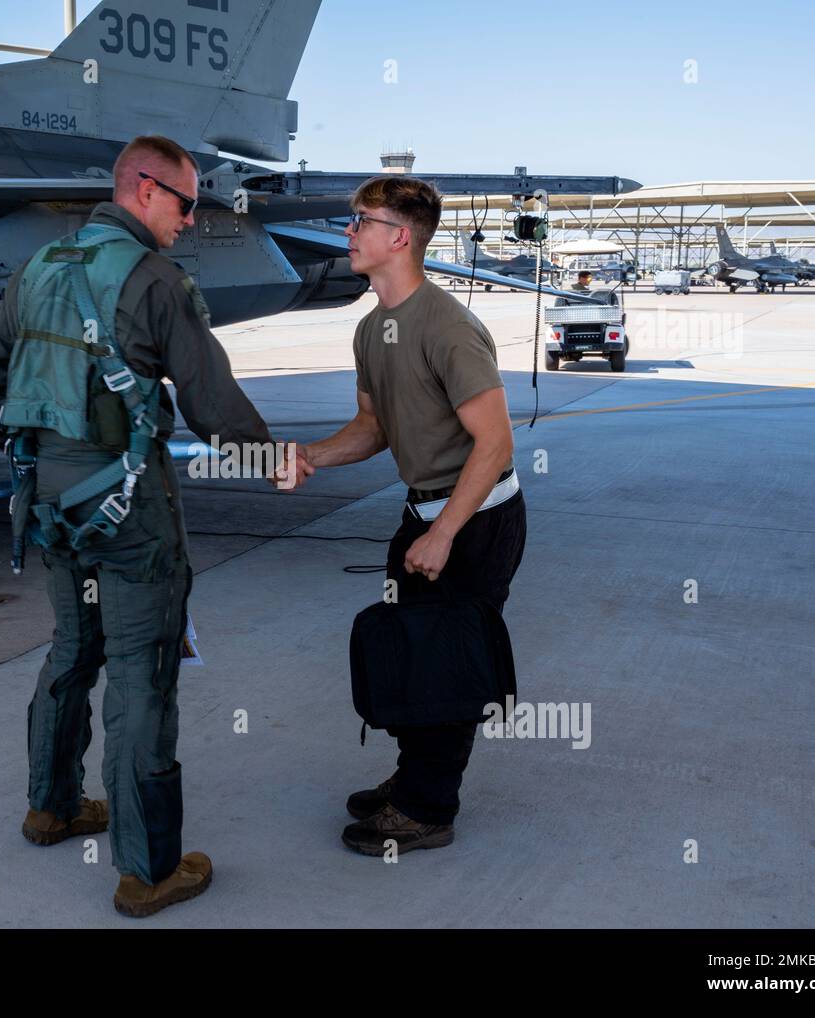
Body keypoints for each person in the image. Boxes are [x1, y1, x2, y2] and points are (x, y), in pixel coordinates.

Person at [0, 135, 310, 917]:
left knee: (70, 650)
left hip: (47, 505)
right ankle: (149, 870)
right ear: (146, 189)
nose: (192, 221)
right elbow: (210, 401)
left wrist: (52, 454)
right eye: (188, 204)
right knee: (142, 675)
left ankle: (49, 807)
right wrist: (271, 461)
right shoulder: (155, 280)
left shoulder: (37, 268)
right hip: (128, 511)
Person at [300, 175, 526, 857]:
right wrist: (309, 456)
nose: (349, 233)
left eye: (361, 222)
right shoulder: (372, 330)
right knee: (407, 652)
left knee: (447, 665)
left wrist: (445, 532)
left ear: (400, 237)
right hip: (425, 512)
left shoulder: (449, 327)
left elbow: (496, 442)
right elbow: (371, 428)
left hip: (476, 520)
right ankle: (412, 777)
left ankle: (428, 808)